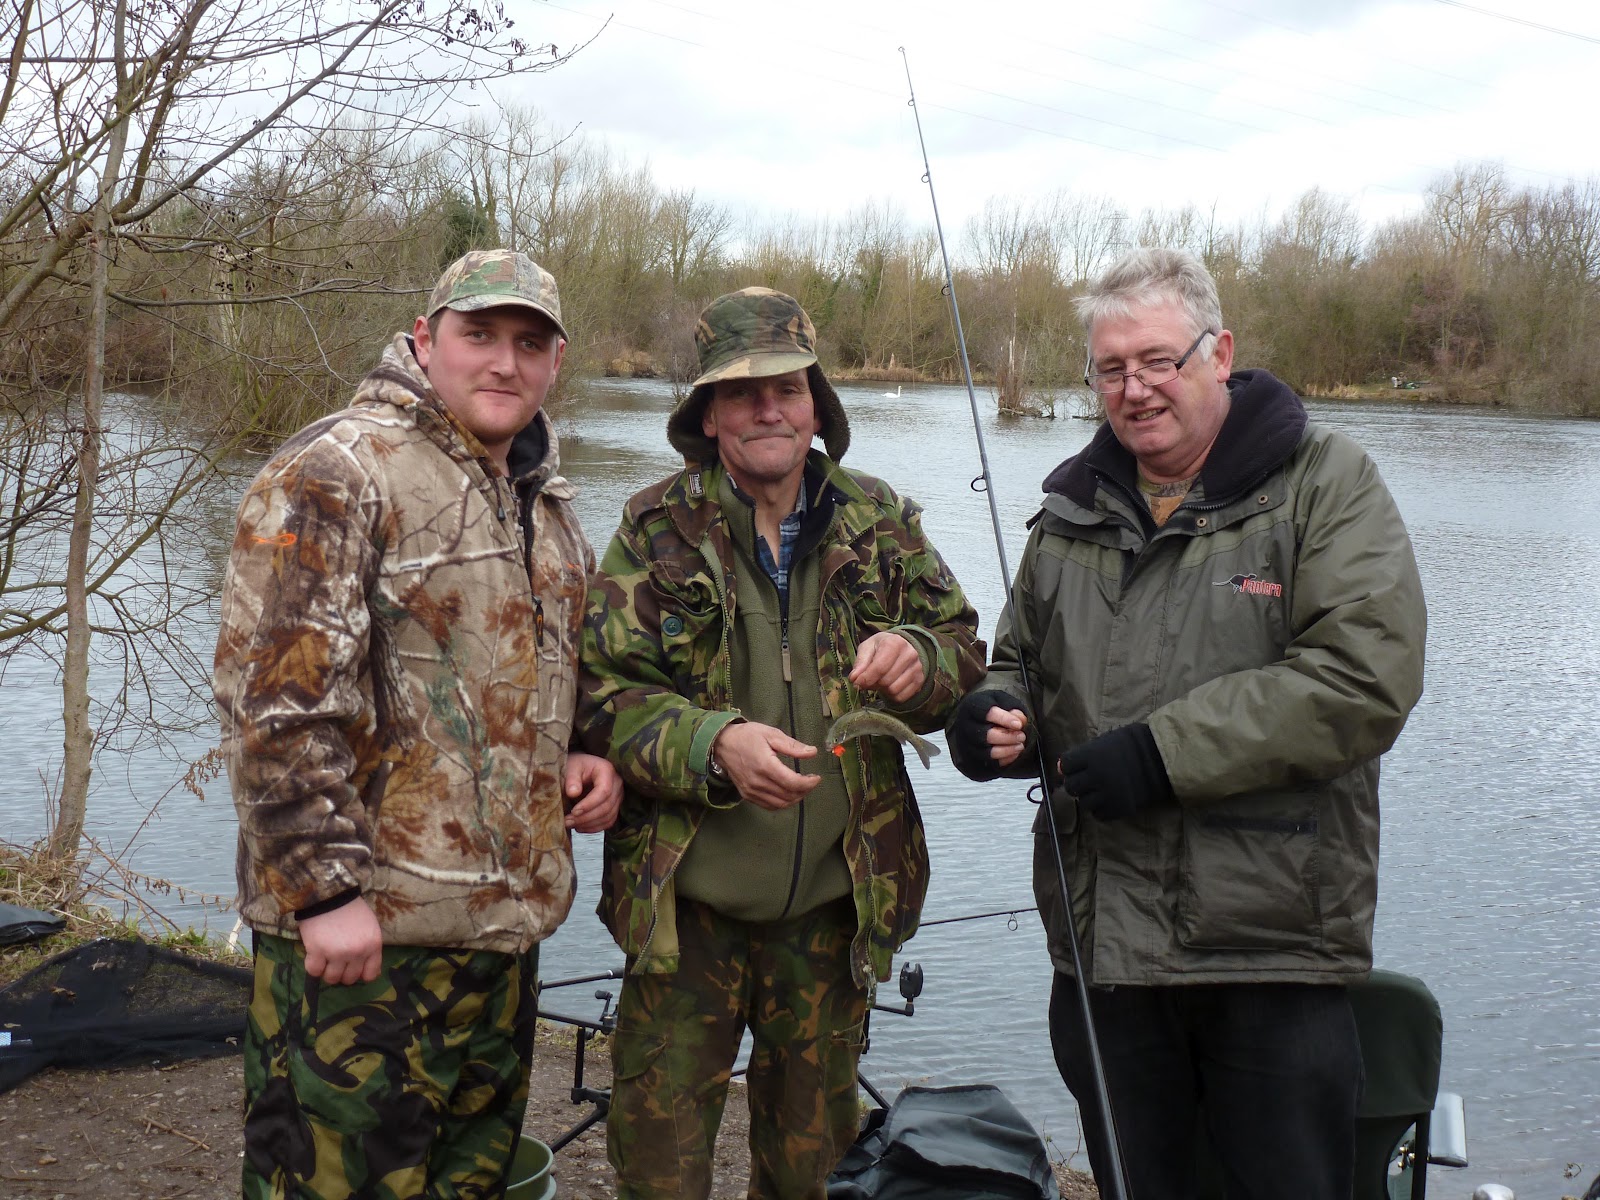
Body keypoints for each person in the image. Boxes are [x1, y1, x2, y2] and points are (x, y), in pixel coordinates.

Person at [947, 247, 1427, 1198]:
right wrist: (996, 717)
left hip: (1270, 953)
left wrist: (1162, 755)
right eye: (1112, 368)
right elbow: (1023, 661)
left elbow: (1363, 679)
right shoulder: (1068, 509)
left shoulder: (1326, 481)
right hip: (1102, 949)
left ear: (1220, 353)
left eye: (1159, 360)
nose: (1135, 388)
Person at [214, 249, 622, 1199]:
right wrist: (322, 894)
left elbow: (551, 674)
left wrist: (585, 750)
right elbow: (275, 703)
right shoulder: (339, 470)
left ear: (555, 363)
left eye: (530, 343)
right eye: (479, 336)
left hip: (498, 945)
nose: (504, 364)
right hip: (364, 952)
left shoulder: (544, 506)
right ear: (423, 341)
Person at [578, 287, 986, 1200]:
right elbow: (598, 697)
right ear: (710, 415)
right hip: (684, 922)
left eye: (789, 388)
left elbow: (966, 651)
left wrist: (922, 663)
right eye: (743, 391)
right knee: (658, 1174)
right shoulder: (651, 530)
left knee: (814, 1175)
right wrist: (711, 745)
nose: (769, 407)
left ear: (816, 407)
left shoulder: (881, 521)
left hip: (831, 920)